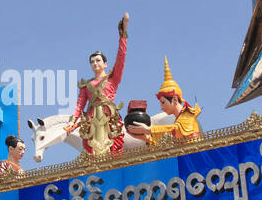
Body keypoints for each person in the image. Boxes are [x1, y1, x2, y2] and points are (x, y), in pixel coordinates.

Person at [67, 12, 130, 156]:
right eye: (92, 61)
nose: (95, 63)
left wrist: (123, 35)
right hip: (91, 123)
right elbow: (79, 105)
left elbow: (121, 58)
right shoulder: (85, 85)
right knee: (91, 153)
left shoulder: (112, 79)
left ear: (105, 64)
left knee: (113, 153)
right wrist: (72, 121)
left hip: (109, 121)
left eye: (98, 60)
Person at [125, 58, 201, 146]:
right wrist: (144, 138)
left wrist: (149, 130)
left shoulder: (188, 113)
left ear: (175, 100)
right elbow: (166, 142)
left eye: (163, 102)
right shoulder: (177, 120)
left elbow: (177, 129)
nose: (161, 107)